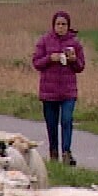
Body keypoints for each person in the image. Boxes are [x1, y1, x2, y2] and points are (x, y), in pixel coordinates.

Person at [30, 10, 85, 164]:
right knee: (52, 124)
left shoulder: (75, 43)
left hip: (68, 91)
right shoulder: (44, 41)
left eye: (64, 24)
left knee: (67, 120)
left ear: (68, 26)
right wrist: (50, 58)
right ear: (53, 25)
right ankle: (53, 152)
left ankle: (66, 152)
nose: (61, 27)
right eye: (58, 24)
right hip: (49, 92)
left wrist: (73, 60)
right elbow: (36, 63)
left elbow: (81, 66)